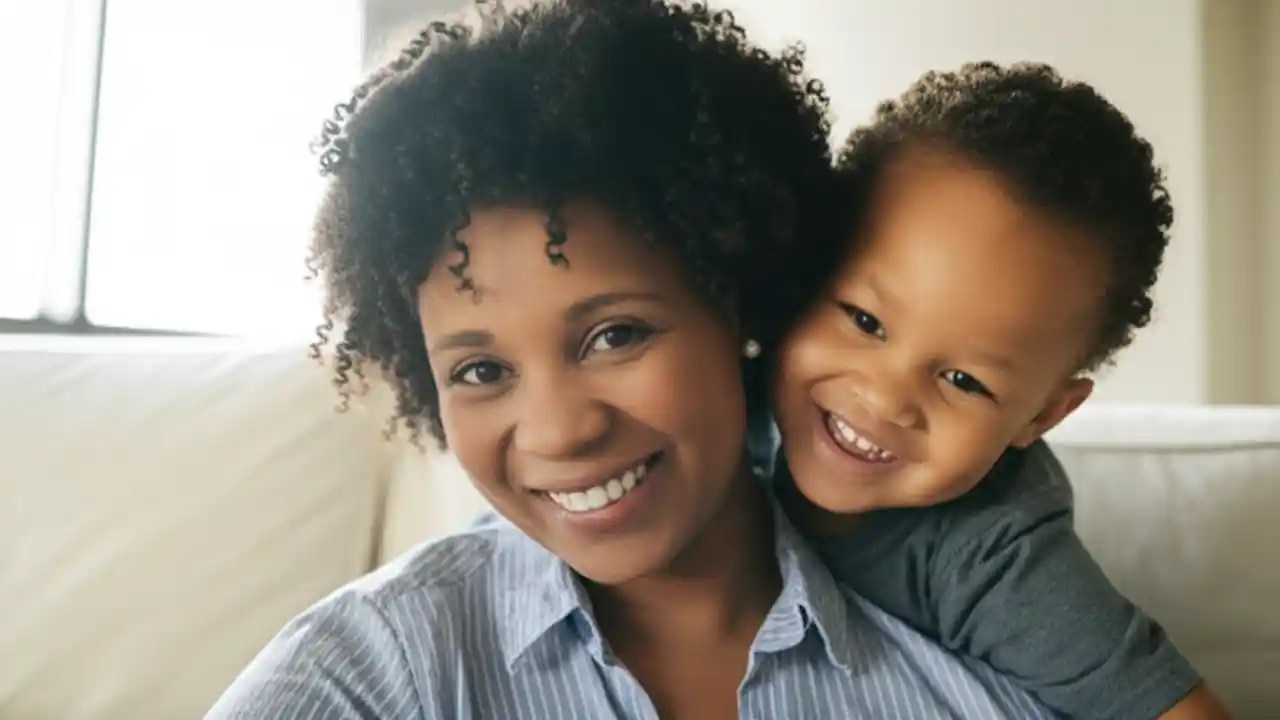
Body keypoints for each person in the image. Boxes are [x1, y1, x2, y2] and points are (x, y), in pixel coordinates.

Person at [208, 2, 1058, 717]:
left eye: (615, 335)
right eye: (480, 371)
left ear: (738, 305)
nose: (560, 429)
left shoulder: (973, 676)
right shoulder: (368, 675)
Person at [768, 62, 1229, 719]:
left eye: (964, 380)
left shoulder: (995, 557)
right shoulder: (727, 399)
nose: (888, 397)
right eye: (865, 320)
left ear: (1041, 415)